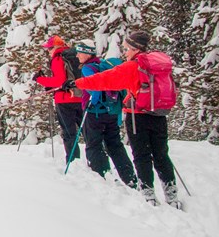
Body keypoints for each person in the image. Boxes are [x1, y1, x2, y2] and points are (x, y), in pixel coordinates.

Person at [65, 30, 180, 207]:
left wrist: (77, 83)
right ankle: (171, 194)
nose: (125, 52)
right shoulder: (156, 64)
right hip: (159, 114)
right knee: (161, 154)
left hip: (138, 116)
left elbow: (105, 80)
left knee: (142, 155)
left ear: (135, 48)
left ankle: (148, 194)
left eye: (127, 49)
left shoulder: (133, 66)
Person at [74, 42, 137, 188]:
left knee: (93, 144)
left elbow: (95, 88)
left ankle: (101, 176)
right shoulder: (103, 65)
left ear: (87, 53)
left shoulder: (88, 69)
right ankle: (129, 177)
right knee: (115, 144)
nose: (77, 55)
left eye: (79, 52)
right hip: (111, 112)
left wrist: (91, 102)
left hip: (95, 112)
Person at [33, 35, 83, 165]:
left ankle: (73, 162)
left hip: (64, 99)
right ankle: (96, 160)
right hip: (80, 97)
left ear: (56, 47)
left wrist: (40, 80)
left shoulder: (58, 58)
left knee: (69, 133)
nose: (48, 51)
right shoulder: (75, 56)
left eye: (49, 48)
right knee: (87, 130)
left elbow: (60, 81)